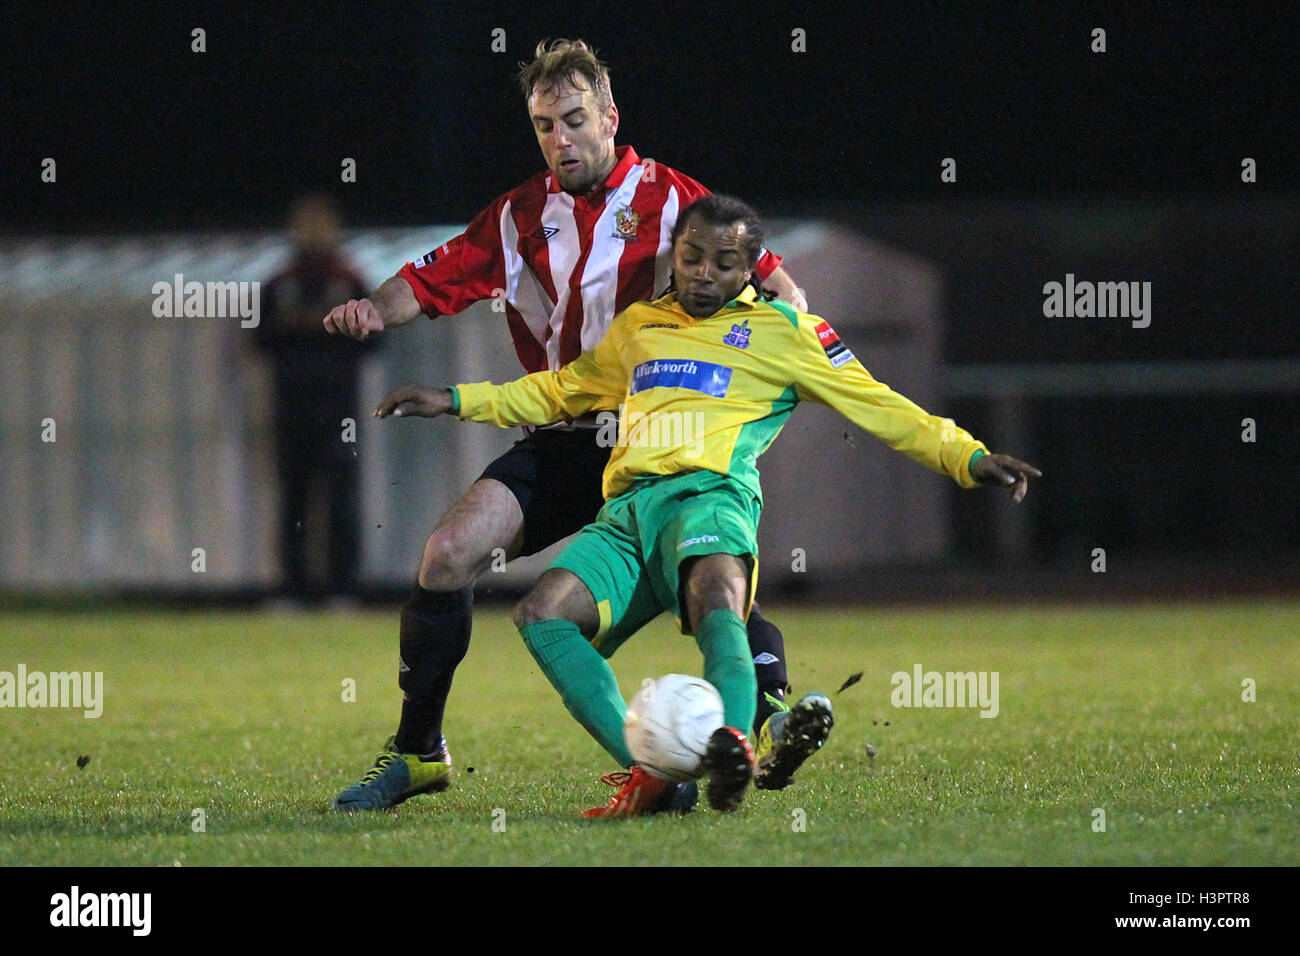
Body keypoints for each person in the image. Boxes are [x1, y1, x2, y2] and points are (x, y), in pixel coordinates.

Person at [372, 194, 1042, 817]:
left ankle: (733, 743)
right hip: (629, 513)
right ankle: (657, 772)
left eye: (723, 263)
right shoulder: (640, 326)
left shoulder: (787, 332)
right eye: (690, 257)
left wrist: (969, 457)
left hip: (709, 496)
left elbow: (882, 405)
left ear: (752, 269)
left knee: (718, 595)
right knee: (542, 614)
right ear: (675, 253)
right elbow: (560, 391)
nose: (700, 273)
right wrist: (456, 399)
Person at [325, 40, 822, 811]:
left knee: (711, 592)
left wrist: (802, 356)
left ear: (610, 119)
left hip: (657, 441)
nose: (560, 140)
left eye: (574, 121)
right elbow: (431, 279)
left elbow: (777, 283)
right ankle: (420, 753)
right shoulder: (519, 217)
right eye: (544, 126)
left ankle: (764, 716)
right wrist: (371, 311)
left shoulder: (672, 201)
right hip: (564, 439)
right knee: (447, 554)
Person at [256, 194, 370, 604]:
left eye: (321, 222)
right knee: (295, 501)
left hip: (340, 411)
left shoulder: (349, 280)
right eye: (306, 223)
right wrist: (307, 327)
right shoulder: (280, 283)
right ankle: (292, 589)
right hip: (292, 410)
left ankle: (343, 589)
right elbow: (261, 339)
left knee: (341, 500)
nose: (314, 232)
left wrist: (319, 328)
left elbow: (373, 340)